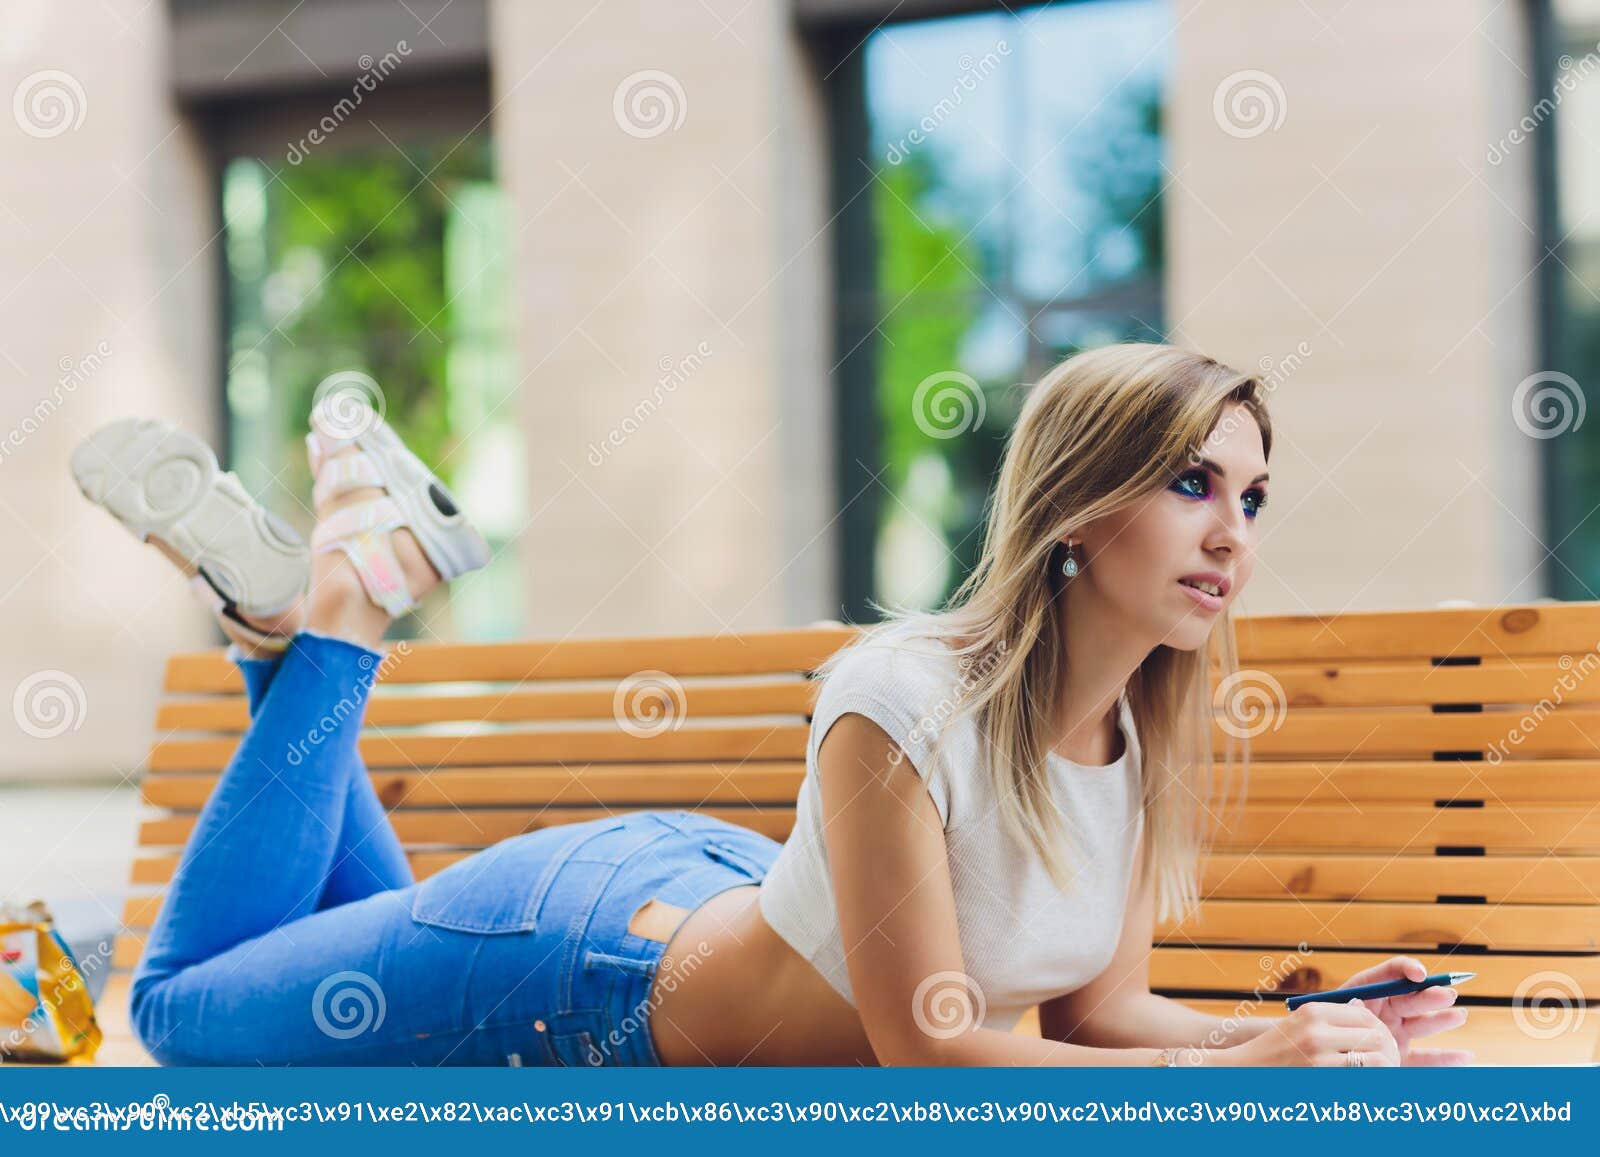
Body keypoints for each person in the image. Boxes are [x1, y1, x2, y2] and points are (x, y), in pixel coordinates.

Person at [75, 343, 1469, 1067]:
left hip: (691, 897)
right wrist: (1243, 1072)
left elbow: (1095, 1015)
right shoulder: (903, 695)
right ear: (1077, 504)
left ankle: (281, 632)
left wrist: (1313, 1031)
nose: (1233, 533)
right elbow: (927, 1049)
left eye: (1255, 497)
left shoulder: (1132, 736)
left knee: (319, 966)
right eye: (1192, 483)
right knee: (179, 1012)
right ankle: (344, 611)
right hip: (574, 972)